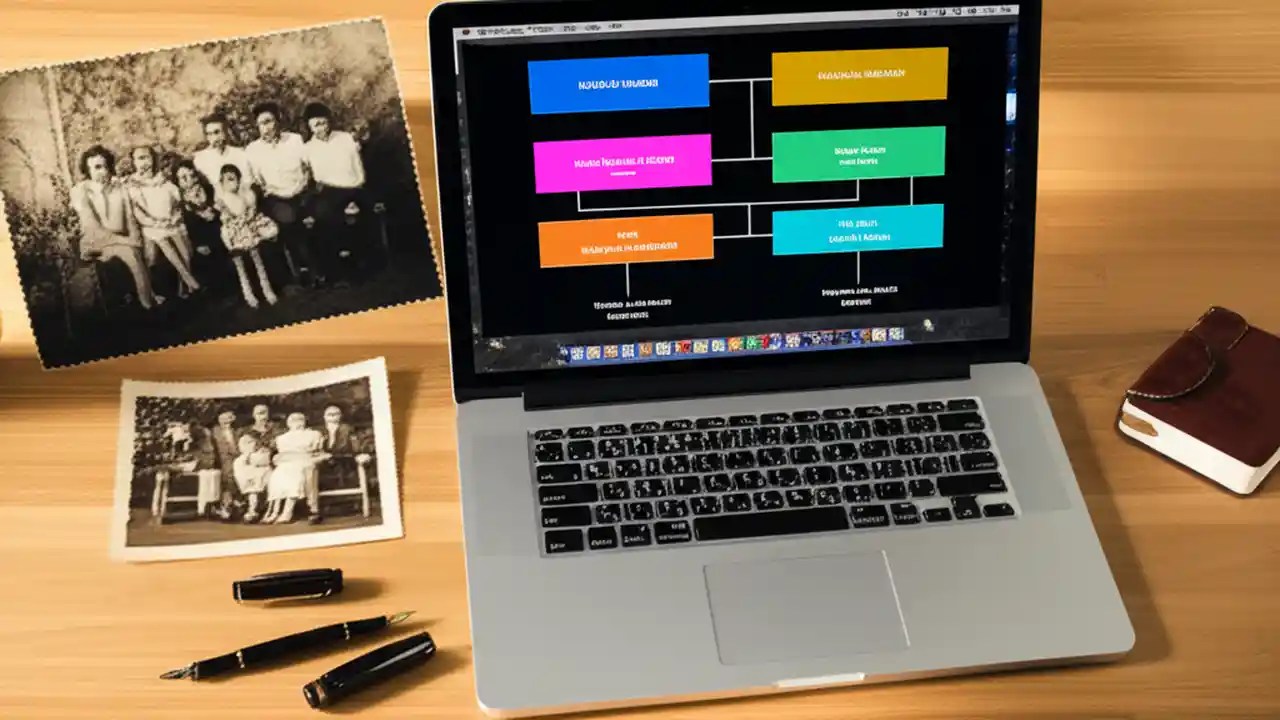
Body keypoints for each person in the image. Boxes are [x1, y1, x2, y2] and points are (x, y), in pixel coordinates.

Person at [68, 145, 163, 310]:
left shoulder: (119, 188)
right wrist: (129, 241)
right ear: (87, 170)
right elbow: (94, 229)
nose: (103, 172)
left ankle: (149, 295)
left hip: (121, 240)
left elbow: (130, 219)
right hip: (95, 243)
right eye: (97, 168)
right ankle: (148, 303)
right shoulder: (80, 191)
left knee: (145, 247)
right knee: (131, 252)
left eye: (105, 166)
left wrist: (136, 239)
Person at [245, 102, 326, 287]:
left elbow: (308, 168)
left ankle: (318, 267)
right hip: (276, 197)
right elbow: (255, 182)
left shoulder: (294, 140)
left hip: (301, 192)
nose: (266, 127)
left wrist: (303, 185)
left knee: (317, 215)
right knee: (289, 218)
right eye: (261, 124)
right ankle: (306, 270)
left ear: (278, 121)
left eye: (269, 121)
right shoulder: (252, 150)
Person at [302, 102, 378, 282]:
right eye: (315, 125)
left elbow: (358, 168)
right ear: (309, 127)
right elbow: (314, 177)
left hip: (354, 187)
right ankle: (336, 266)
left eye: (323, 122)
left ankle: (362, 262)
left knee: (360, 215)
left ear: (329, 121)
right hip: (329, 191)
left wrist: (356, 190)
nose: (320, 128)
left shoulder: (346, 139)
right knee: (326, 218)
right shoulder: (308, 149)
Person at [126, 145, 202, 299]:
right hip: (151, 228)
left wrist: (173, 217)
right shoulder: (132, 186)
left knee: (186, 253)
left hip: (171, 223)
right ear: (134, 162)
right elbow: (138, 213)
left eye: (147, 157)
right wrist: (156, 223)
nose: (144, 163)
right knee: (164, 244)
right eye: (140, 159)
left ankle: (183, 288)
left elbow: (176, 203)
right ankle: (192, 282)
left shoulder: (162, 180)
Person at [213, 163, 279, 308]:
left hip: (249, 229)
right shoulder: (222, 200)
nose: (231, 183)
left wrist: (248, 214)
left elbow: (250, 211)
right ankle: (249, 295)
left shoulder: (247, 195)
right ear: (222, 182)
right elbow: (229, 217)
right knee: (240, 265)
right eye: (227, 180)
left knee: (257, 260)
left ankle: (267, 291)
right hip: (234, 233)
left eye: (234, 179)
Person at [174, 159, 232, 296]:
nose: (189, 181)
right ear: (178, 182)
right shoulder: (181, 201)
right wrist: (198, 244)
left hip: (218, 229)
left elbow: (220, 209)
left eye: (192, 176)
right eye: (183, 178)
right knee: (205, 258)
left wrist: (214, 212)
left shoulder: (207, 189)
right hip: (200, 239)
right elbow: (189, 226)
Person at [262, 412, 329, 524]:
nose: (297, 422)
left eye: (300, 420)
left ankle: (289, 512)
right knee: (276, 476)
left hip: (306, 461)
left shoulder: (313, 434)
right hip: (287, 463)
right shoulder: (282, 438)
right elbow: (281, 453)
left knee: (297, 473)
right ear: (288, 423)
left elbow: (317, 450)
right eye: (293, 420)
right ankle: (274, 512)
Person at [192, 113, 251, 190]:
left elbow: (248, 182)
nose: (214, 138)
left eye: (217, 132)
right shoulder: (200, 159)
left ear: (225, 131)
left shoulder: (240, 154)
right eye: (209, 134)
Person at [232, 433, 272, 523]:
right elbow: (240, 472)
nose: (252, 445)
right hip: (249, 480)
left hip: (261, 478)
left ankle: (261, 509)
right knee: (252, 490)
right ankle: (251, 509)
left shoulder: (261, 453)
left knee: (261, 483)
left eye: (252, 443)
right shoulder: (239, 460)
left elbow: (264, 463)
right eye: (248, 443)